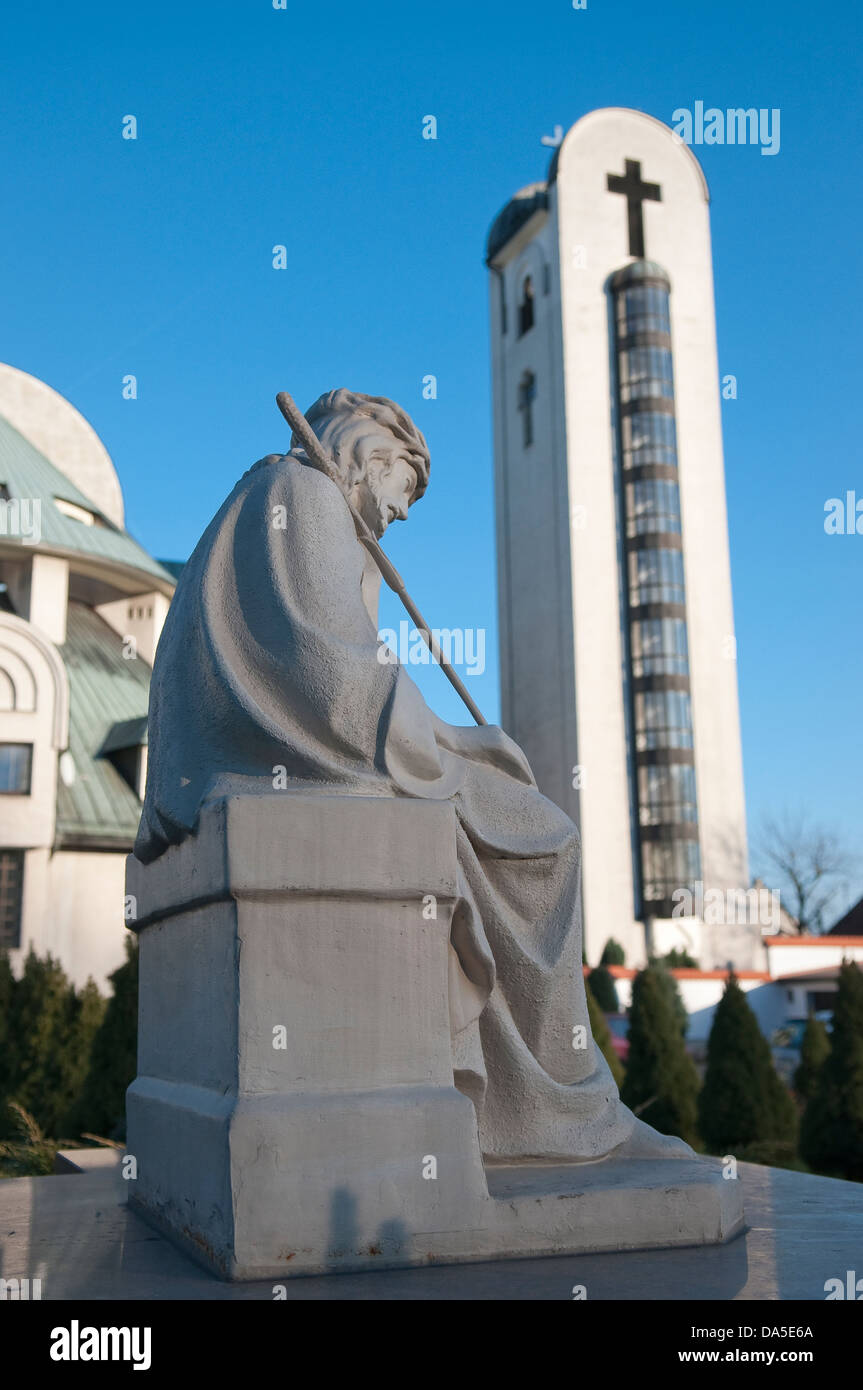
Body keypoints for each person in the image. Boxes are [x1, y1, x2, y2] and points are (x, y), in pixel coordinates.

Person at [136, 388, 690, 1163]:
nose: (399, 515)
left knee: (515, 808)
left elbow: (331, 670)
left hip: (275, 750)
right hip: (307, 751)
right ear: (370, 456)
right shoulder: (306, 492)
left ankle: (549, 1098)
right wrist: (456, 741)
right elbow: (331, 677)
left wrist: (449, 736)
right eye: (404, 491)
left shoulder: (275, 494)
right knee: (543, 837)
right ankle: (555, 1107)